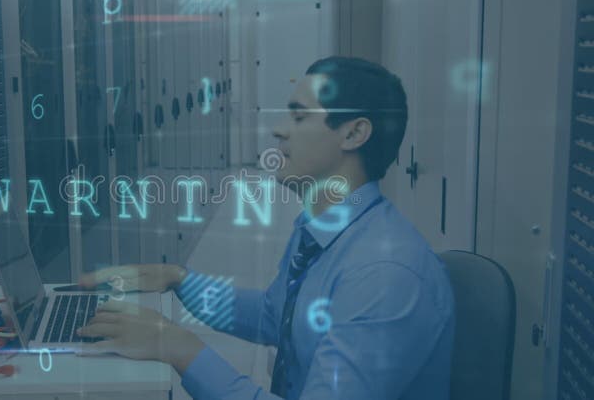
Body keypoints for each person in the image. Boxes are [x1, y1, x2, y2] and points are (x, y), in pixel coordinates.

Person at [76, 56, 455, 400]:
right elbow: (276, 318)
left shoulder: (384, 276)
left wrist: (178, 346)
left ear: (354, 134)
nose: (278, 129)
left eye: (299, 116)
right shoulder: (324, 227)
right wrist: (179, 279)